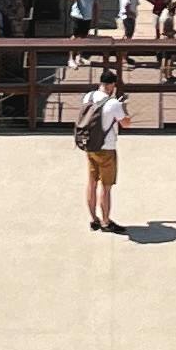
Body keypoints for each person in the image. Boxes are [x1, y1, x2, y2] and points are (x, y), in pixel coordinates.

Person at [76, 60, 126, 231]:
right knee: (106, 186)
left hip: (89, 145)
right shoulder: (113, 103)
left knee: (91, 182)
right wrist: (121, 105)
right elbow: (126, 123)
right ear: (112, 85)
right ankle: (106, 221)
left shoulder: (88, 96)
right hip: (107, 148)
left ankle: (93, 219)